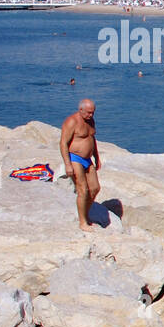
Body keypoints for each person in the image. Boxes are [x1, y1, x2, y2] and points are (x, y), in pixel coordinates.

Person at [60, 99, 102, 233]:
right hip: (75, 158)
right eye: (89, 113)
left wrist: (97, 157)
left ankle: (84, 213)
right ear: (81, 110)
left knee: (95, 188)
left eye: (93, 112)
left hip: (87, 159)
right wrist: (67, 164)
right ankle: (82, 222)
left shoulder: (91, 121)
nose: (91, 115)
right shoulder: (72, 121)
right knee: (82, 190)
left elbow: (92, 138)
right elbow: (63, 143)